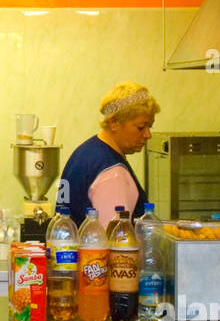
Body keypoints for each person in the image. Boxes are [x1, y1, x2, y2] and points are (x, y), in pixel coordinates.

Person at [58, 81, 160, 228]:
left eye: (150, 127)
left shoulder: (86, 152)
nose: (148, 135)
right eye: (141, 127)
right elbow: (115, 241)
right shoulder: (112, 173)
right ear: (114, 123)